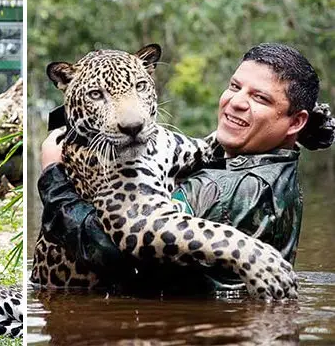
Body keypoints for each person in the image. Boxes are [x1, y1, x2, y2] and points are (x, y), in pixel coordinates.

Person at [36, 43, 334, 292]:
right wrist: (243, 250)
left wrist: (52, 177)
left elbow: (205, 153)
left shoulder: (224, 188)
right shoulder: (93, 156)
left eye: (139, 87)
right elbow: (139, 233)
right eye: (234, 87)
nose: (131, 118)